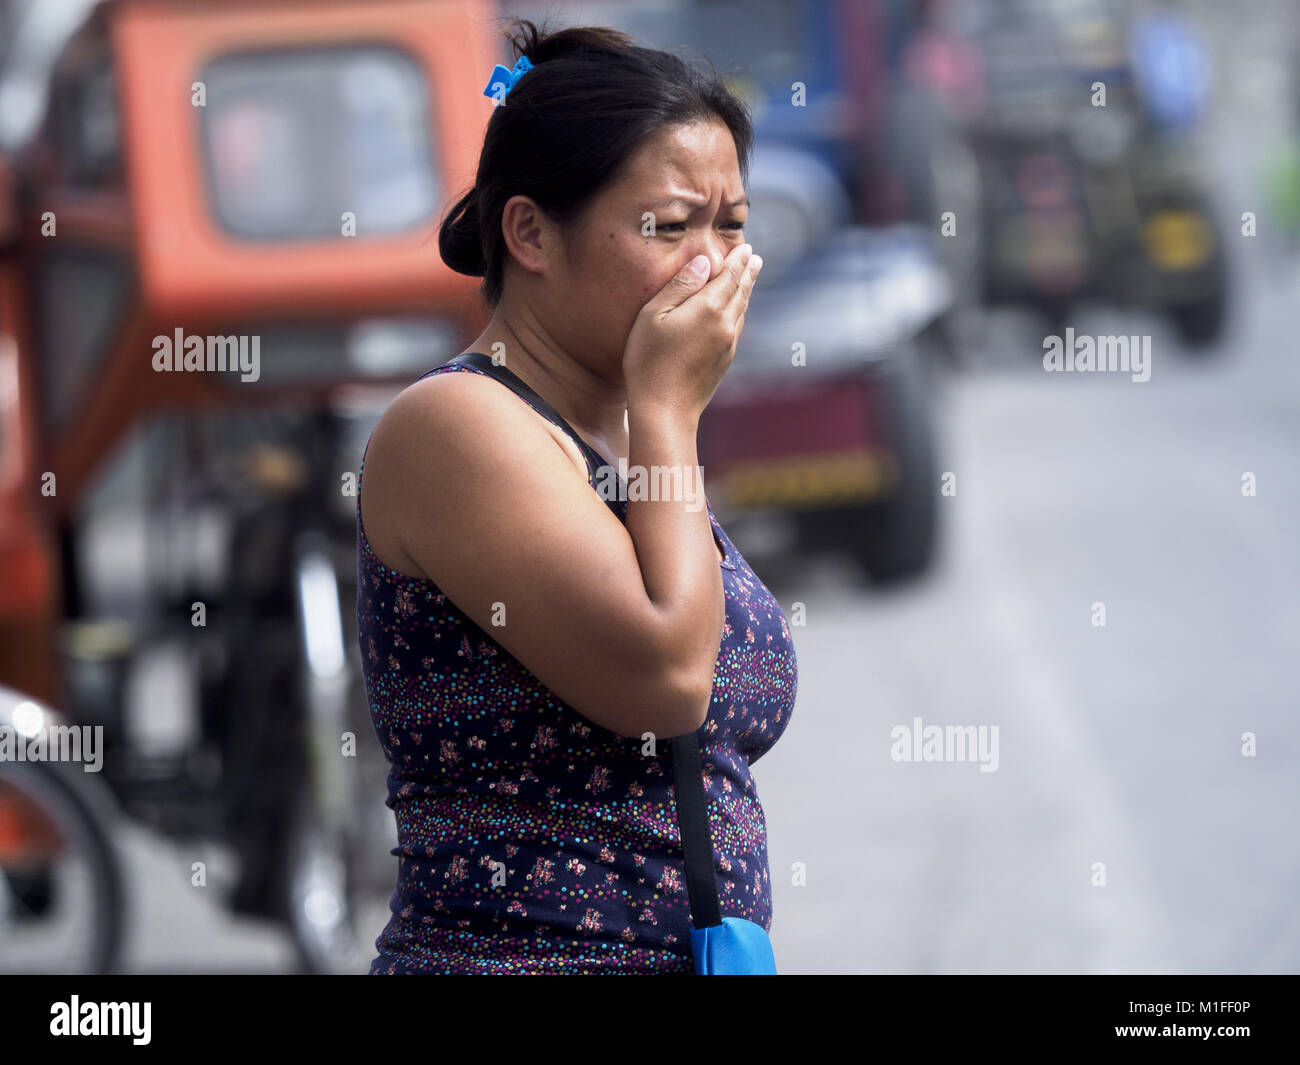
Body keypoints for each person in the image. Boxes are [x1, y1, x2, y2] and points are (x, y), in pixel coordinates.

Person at [356, 16, 797, 974]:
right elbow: (667, 680)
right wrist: (670, 412)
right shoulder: (456, 427)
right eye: (671, 227)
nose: (713, 266)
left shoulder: (615, 432)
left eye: (732, 225)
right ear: (530, 233)